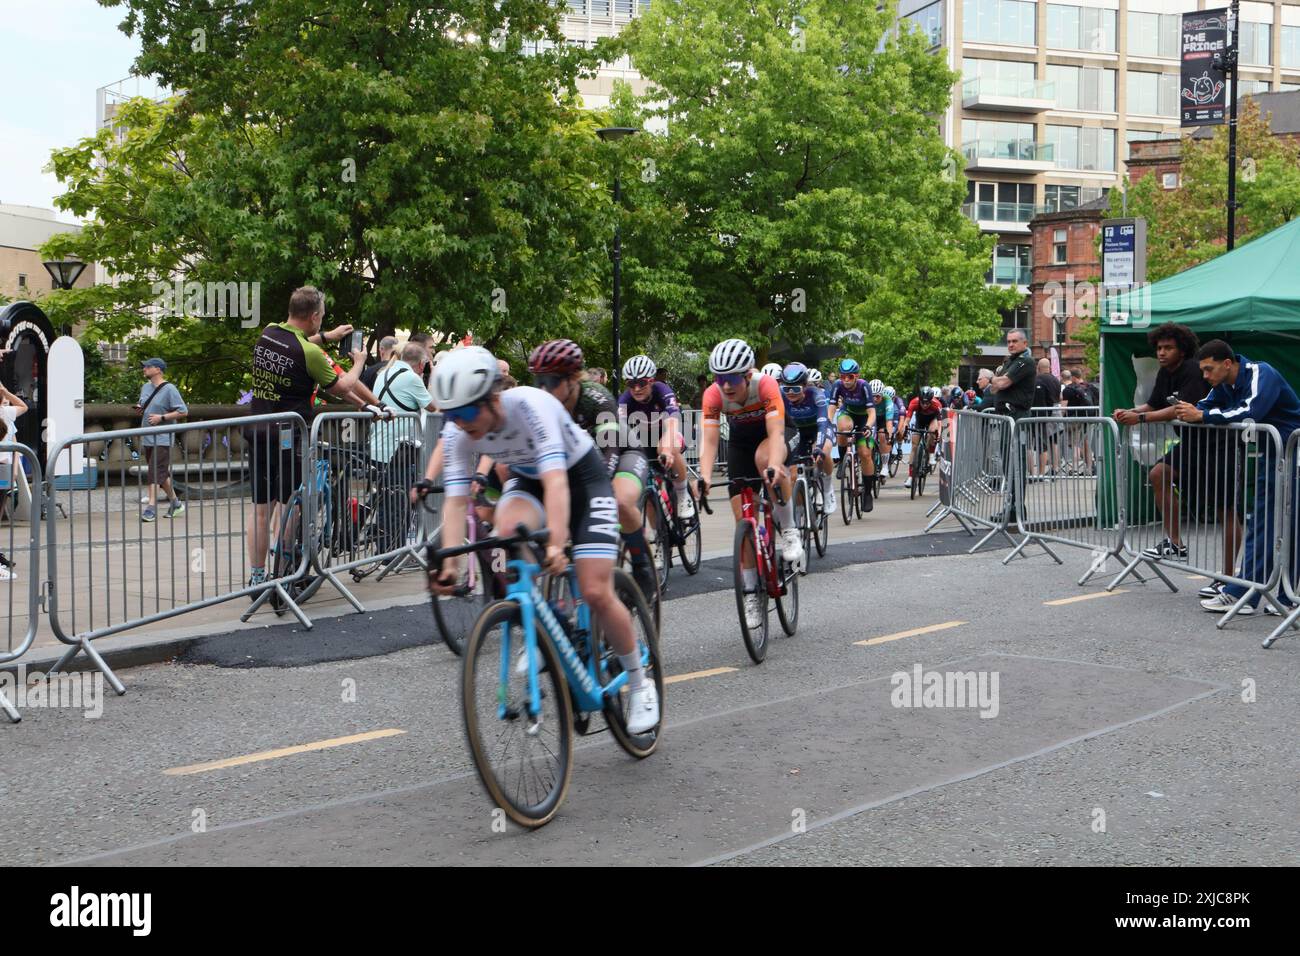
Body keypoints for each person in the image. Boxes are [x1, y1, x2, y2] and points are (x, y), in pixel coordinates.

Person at [429, 346, 659, 732]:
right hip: (528, 479)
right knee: (506, 534)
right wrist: (451, 567)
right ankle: (545, 624)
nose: (459, 422)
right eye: (451, 415)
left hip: (581, 477)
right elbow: (455, 503)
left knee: (596, 590)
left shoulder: (531, 407)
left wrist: (554, 543)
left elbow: (557, 482)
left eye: (467, 411)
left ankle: (640, 682)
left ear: (493, 397)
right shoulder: (458, 433)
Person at [246, 286, 386, 588]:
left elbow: (296, 344)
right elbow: (343, 384)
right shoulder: (309, 354)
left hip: (257, 430)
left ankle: (256, 577)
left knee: (260, 510)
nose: (321, 322)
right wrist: (360, 361)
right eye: (321, 318)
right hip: (288, 437)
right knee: (288, 508)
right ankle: (283, 575)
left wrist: (328, 337)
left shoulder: (269, 333)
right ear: (312, 316)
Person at [529, 341, 658, 611]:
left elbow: (610, 449)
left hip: (623, 452)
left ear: (573, 378)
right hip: (583, 464)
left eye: (551, 381)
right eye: (539, 380)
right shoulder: (540, 403)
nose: (544, 389)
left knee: (619, 501)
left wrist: (600, 490)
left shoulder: (594, 397)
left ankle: (641, 564)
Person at [1175, 341, 1300, 615]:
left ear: (1228, 364)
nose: (1205, 376)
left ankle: (1245, 594)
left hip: (1290, 453)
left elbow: (1251, 412)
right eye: (1203, 370)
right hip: (1277, 454)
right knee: (1277, 525)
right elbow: (1205, 406)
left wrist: (1203, 415)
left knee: (1271, 525)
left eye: (1209, 369)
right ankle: (1281, 598)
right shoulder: (1224, 384)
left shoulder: (1260, 373)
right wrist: (1192, 411)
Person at [1112, 323, 1238, 581]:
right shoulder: (1164, 372)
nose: (1161, 352)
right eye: (1159, 347)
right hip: (1191, 444)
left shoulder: (1192, 369)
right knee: (1158, 474)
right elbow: (1154, 403)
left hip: (1217, 444)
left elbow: (1180, 409)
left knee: (1225, 511)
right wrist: (1131, 412)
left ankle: (1227, 578)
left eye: (1168, 348)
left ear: (1182, 350)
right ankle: (1175, 543)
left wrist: (1143, 418)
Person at [696, 338, 803, 630]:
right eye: (720, 378)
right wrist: (704, 476)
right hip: (741, 444)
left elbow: (776, 432)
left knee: (764, 459)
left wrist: (773, 466)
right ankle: (751, 593)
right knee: (743, 522)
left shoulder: (765, 385)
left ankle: (790, 528)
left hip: (778, 435)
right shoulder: (713, 395)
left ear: (746, 374)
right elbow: (708, 441)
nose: (726, 386)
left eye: (731, 378)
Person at [620, 354, 694, 519]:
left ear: (651, 381)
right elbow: (620, 429)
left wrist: (667, 449)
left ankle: (683, 495)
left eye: (642, 383)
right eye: (631, 384)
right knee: (646, 489)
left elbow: (673, 422)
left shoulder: (662, 390)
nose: (636, 389)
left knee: (666, 447)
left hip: (669, 431)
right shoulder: (625, 399)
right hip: (645, 437)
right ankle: (660, 538)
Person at [987, 329, 1036, 522]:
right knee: (1008, 464)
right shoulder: (1011, 362)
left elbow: (1003, 382)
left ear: (1025, 343)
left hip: (1017, 417)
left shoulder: (1026, 362)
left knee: (1016, 464)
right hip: (1006, 418)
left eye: (1015, 341)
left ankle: (1016, 509)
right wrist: (996, 381)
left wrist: (994, 378)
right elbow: (994, 388)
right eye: (1008, 341)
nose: (1010, 344)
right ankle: (1011, 507)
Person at [135, 358, 189, 522]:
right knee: (161, 473)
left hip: (163, 437)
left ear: (158, 369)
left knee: (154, 471)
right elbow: (144, 403)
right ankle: (176, 503)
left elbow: (183, 411)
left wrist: (162, 417)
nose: (144, 369)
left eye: (147, 366)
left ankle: (151, 507)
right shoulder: (145, 387)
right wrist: (140, 408)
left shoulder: (169, 389)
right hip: (148, 436)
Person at [779, 362, 836, 514]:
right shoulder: (780, 396)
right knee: (792, 474)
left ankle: (827, 490)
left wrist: (818, 447)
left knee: (823, 452)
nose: (790, 393)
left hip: (819, 428)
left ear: (805, 386)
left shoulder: (816, 395)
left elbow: (823, 424)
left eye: (796, 388)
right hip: (798, 432)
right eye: (786, 388)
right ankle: (798, 513)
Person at [827, 358, 876, 511]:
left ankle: (867, 493)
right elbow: (832, 407)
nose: (846, 380)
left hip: (864, 418)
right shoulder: (837, 385)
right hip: (848, 413)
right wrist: (827, 423)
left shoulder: (864, 386)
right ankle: (843, 460)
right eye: (843, 377)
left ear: (857, 376)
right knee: (842, 427)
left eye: (850, 377)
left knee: (865, 454)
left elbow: (872, 412)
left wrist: (868, 426)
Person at [0, 376, 28, 579]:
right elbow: (22, 406)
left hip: (5, 469)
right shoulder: (6, 413)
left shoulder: (6, 413)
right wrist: (5, 391)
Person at [898, 386, 942, 488]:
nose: (925, 405)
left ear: (931, 400)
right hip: (920, 420)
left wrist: (938, 434)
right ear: (920, 400)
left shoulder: (936, 404)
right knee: (914, 446)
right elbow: (907, 420)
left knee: (932, 431)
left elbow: (940, 424)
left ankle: (930, 453)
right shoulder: (914, 402)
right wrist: (904, 429)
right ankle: (910, 476)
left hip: (932, 420)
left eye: (927, 403)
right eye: (923, 402)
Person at [1030, 358, 1063, 480]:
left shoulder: (1038, 379)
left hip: (1043, 412)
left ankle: (1039, 473)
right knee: (1054, 441)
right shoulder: (1056, 380)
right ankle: (1055, 468)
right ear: (1049, 367)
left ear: (1038, 367)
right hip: (1056, 411)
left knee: (1042, 442)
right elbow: (1059, 397)